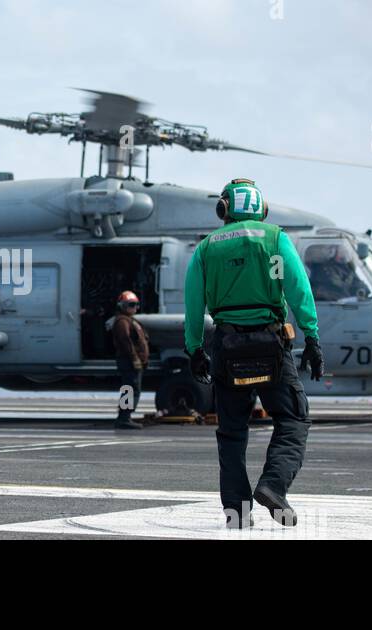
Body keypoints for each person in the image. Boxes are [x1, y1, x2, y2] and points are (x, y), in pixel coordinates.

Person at [184, 179, 325, 529]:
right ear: (262, 209)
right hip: (271, 343)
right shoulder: (276, 237)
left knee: (232, 431)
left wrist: (195, 349)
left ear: (223, 209)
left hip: (227, 345)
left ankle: (237, 513)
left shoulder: (206, 248)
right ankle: (273, 485)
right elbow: (298, 288)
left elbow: (193, 304)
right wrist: (311, 336)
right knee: (292, 419)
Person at [107, 290, 149, 430]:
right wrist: (134, 358)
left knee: (131, 389)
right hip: (128, 361)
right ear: (122, 306)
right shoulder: (122, 321)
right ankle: (124, 418)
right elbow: (125, 341)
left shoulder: (130, 320)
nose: (135, 307)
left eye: (137, 304)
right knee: (130, 389)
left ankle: (125, 417)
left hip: (132, 361)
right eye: (131, 304)